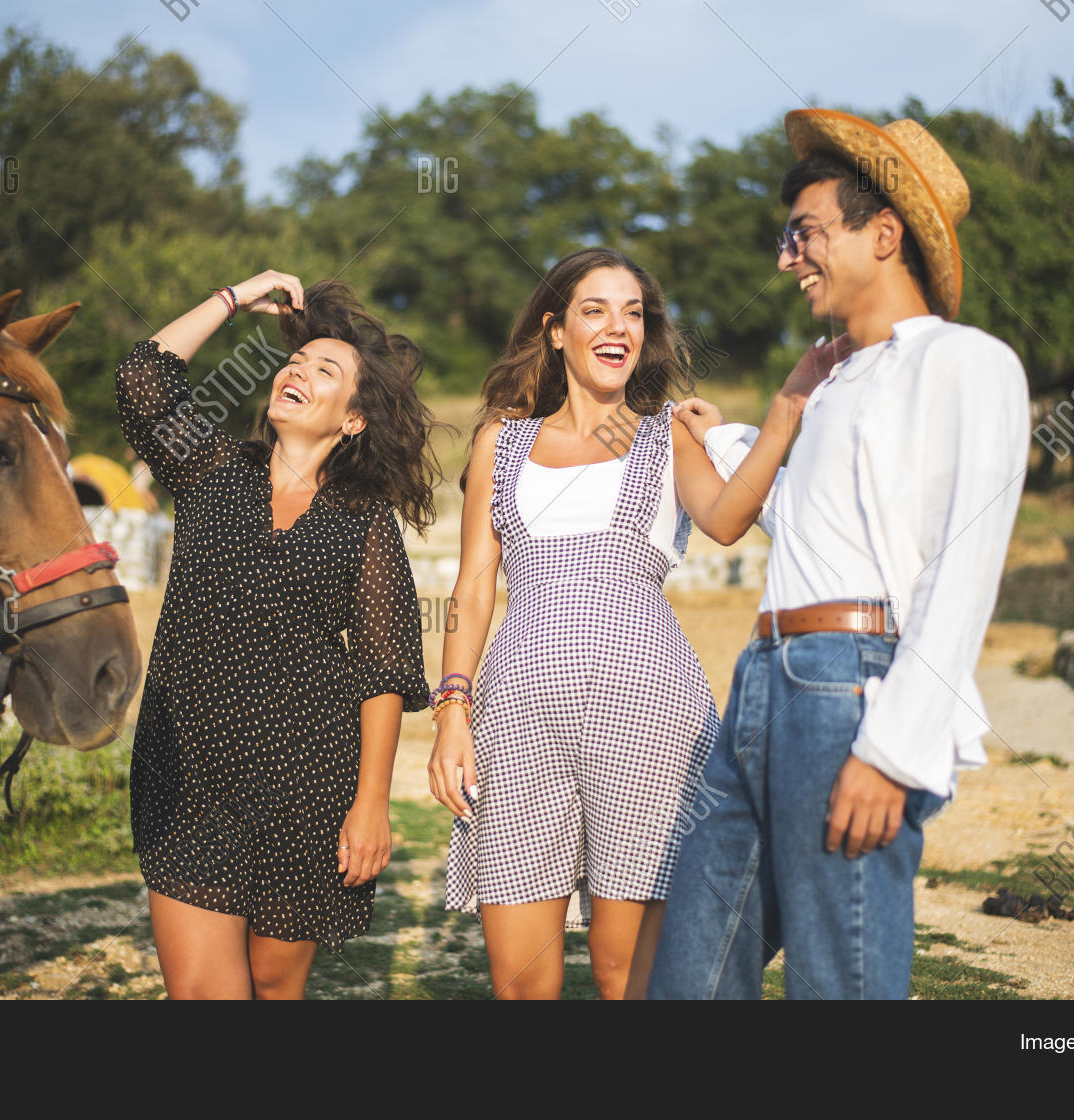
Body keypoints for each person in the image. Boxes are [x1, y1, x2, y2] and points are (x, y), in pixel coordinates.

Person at [648, 110, 1030, 1000]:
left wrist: (894, 751)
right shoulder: (828, 383)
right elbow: (807, 517)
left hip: (850, 691)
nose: (789, 258)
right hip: (756, 685)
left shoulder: (967, 365)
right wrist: (734, 438)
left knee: (838, 984)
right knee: (692, 978)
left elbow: (960, 573)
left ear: (883, 234)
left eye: (806, 233)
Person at [427, 247, 785, 1000]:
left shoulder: (667, 434)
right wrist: (452, 709)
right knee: (521, 981)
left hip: (649, 714)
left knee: (630, 977)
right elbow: (473, 587)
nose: (618, 326)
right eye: (596, 310)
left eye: (634, 312)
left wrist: (780, 417)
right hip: (519, 715)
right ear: (556, 331)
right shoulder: (502, 440)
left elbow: (726, 520)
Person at [116, 270, 436, 999]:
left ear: (353, 419)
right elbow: (142, 378)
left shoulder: (364, 521)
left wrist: (371, 804)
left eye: (326, 369)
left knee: (273, 988)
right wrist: (236, 297)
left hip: (308, 791)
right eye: (296, 360)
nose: (298, 369)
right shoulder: (211, 472)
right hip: (188, 778)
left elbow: (385, 670)